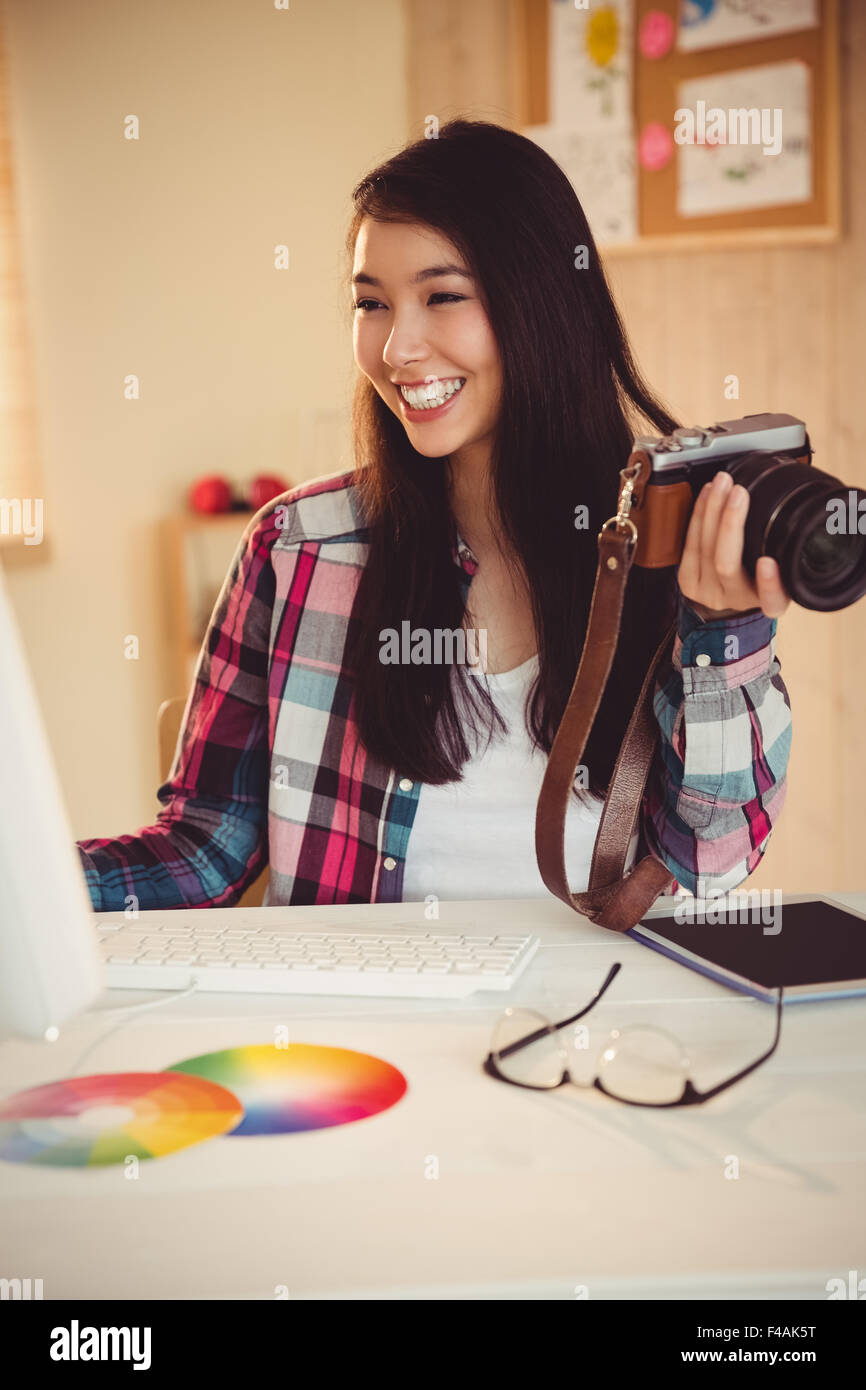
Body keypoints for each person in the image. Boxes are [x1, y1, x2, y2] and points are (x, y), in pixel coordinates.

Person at [76, 120, 791, 911]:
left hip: (605, 1024)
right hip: (364, 1026)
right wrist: (35, 883)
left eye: (442, 296)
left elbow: (712, 859)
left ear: (543, 305)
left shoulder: (666, 546)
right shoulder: (297, 548)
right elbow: (206, 849)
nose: (397, 348)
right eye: (372, 303)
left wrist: (726, 638)